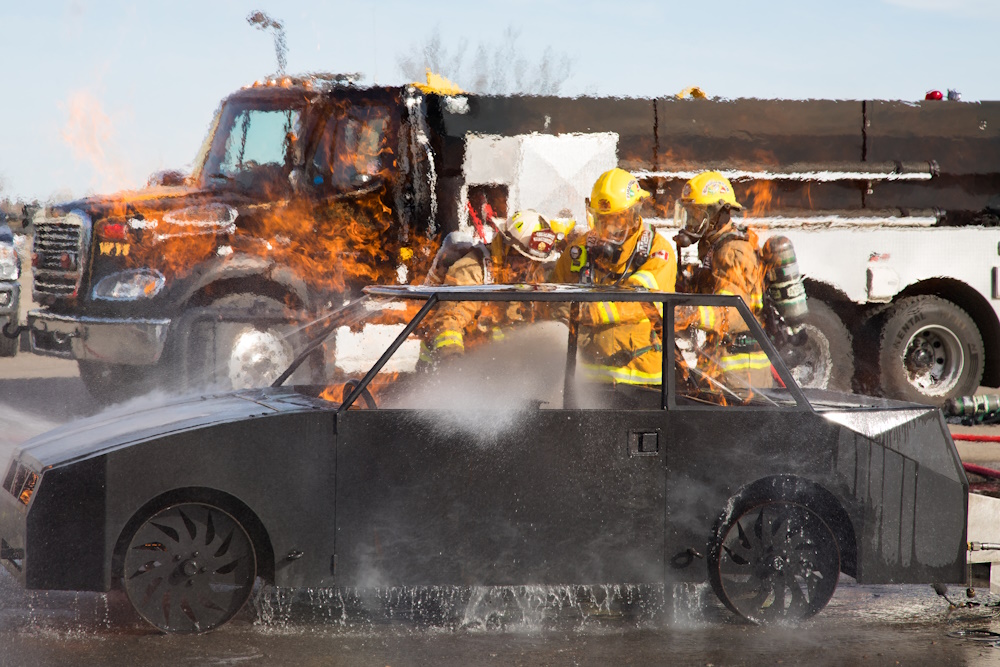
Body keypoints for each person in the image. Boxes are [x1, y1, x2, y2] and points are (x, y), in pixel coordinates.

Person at [550, 168, 676, 386]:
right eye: (601, 219)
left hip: (642, 380)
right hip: (588, 379)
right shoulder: (580, 248)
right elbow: (552, 293)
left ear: (634, 215)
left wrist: (584, 311)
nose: (607, 229)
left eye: (616, 220)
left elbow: (639, 301)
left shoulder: (657, 250)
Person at [420, 209, 570, 363]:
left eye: (533, 262)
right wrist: (454, 361)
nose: (527, 267)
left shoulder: (532, 274)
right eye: (522, 258)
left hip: (498, 369)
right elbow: (449, 320)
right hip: (446, 368)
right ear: (506, 248)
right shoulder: (472, 270)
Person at [673, 170, 772, 391]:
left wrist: (692, 314)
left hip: (741, 375)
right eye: (688, 214)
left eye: (697, 214)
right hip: (719, 364)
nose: (690, 221)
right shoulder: (713, 247)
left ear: (719, 212)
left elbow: (734, 312)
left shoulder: (732, 251)